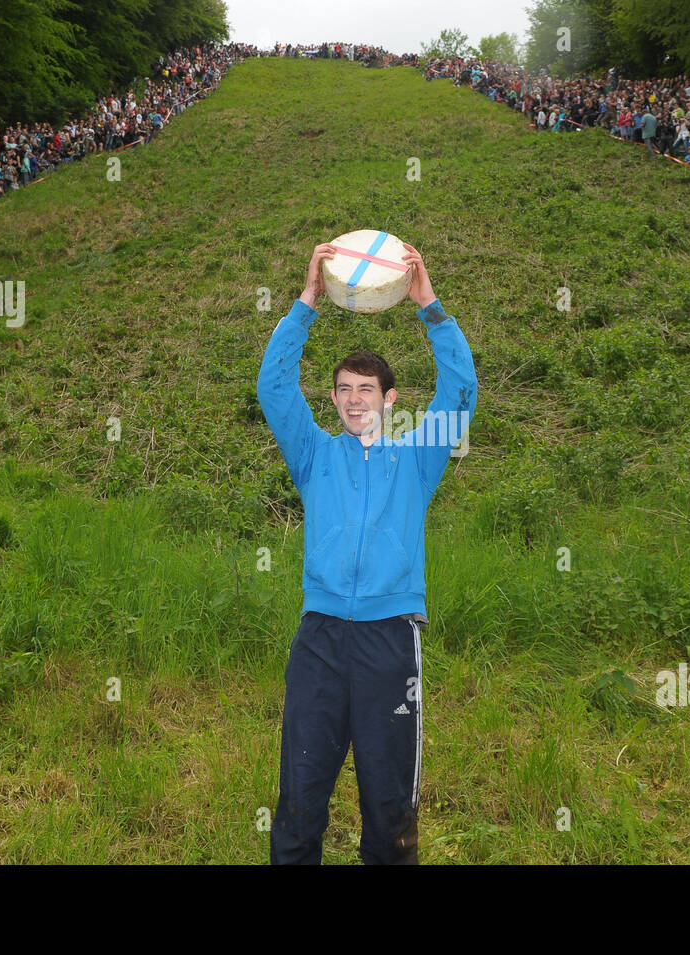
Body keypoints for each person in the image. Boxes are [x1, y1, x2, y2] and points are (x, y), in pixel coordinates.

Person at [258, 241, 478, 865]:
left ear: (389, 398)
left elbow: (461, 389)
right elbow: (273, 386)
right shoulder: (314, 455)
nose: (355, 399)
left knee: (388, 806)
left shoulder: (418, 455)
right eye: (344, 390)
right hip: (320, 639)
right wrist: (307, 300)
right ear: (332, 400)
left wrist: (429, 306)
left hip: (388, 642)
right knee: (300, 798)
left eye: (367, 389)